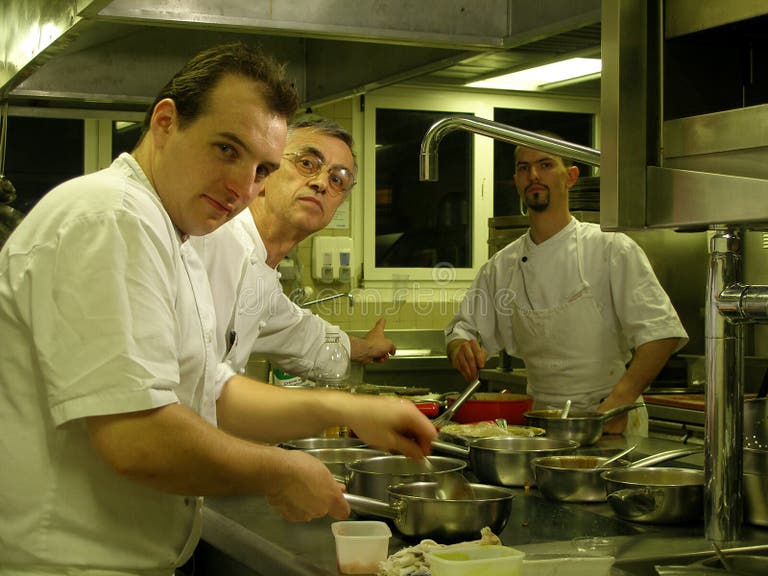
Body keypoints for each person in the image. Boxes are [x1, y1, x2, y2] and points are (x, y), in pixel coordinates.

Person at [0, 43, 436, 575]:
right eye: (227, 149)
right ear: (166, 122)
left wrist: (345, 409)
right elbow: (138, 438)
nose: (242, 188)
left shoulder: (173, 233)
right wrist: (280, 470)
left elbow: (210, 390)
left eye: (261, 168)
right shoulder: (111, 218)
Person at [445, 133, 688, 436]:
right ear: (517, 181)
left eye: (545, 165)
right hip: (541, 422)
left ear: (571, 177)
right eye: (524, 168)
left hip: (611, 418)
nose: (533, 175)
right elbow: (463, 330)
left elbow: (661, 333)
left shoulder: (610, 248)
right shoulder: (502, 265)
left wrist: (619, 401)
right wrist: (460, 349)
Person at [192, 116, 395, 386]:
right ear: (263, 174)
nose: (321, 183)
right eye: (307, 164)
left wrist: (368, 347)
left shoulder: (262, 274)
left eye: (337, 179)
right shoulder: (207, 238)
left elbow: (302, 334)